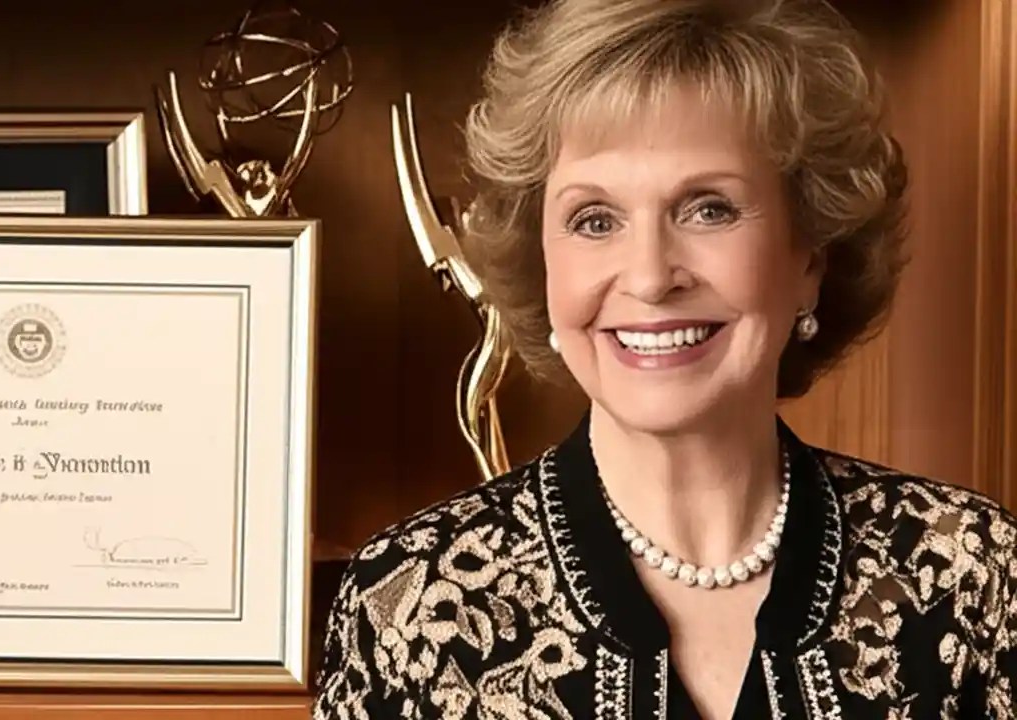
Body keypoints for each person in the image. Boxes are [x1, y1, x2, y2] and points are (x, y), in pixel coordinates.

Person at [312, 0, 1016, 717]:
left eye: (708, 208)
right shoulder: (405, 603)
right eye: (595, 220)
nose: (650, 275)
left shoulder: (974, 575)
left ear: (811, 256)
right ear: (541, 263)